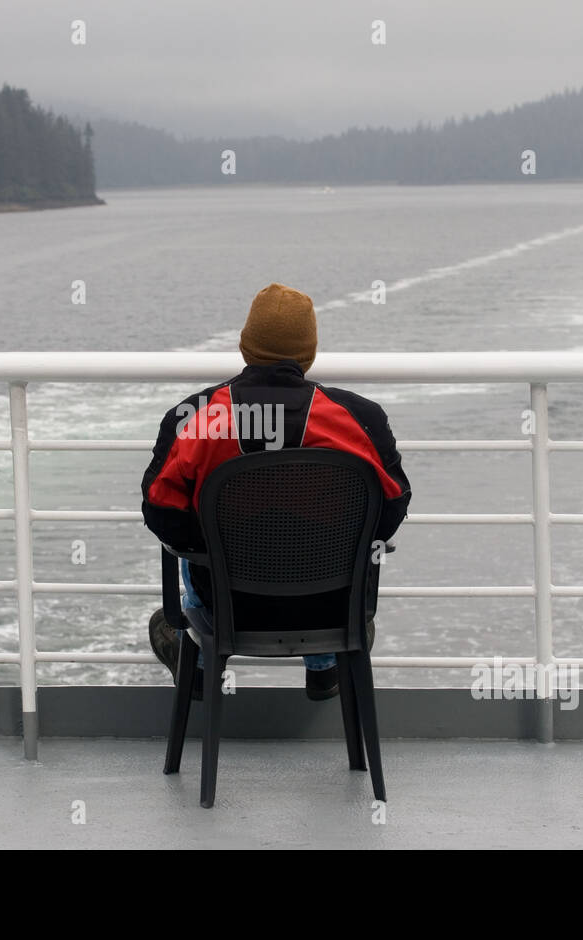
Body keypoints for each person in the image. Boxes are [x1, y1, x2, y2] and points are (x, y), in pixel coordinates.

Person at [140, 283, 411, 700]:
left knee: (183, 567)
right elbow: (391, 508)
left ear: (246, 347)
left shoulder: (194, 417)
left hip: (225, 609)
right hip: (332, 610)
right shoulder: (361, 419)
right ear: (310, 353)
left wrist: (209, 542)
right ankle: (326, 665)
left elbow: (161, 511)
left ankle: (196, 669)